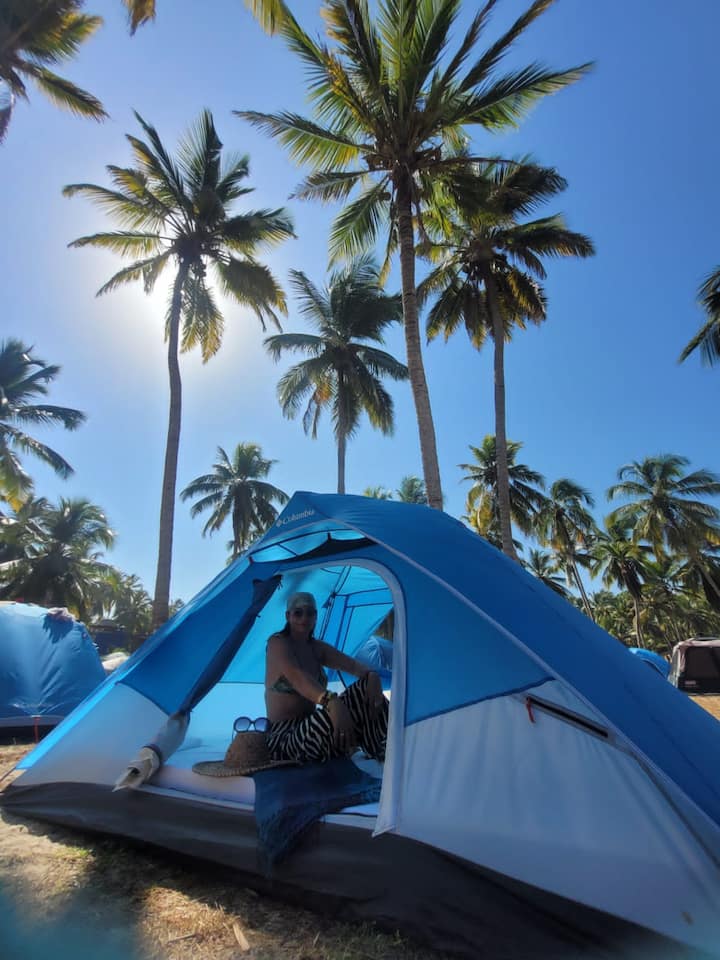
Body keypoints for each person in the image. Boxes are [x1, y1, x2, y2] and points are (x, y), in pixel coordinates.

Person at [265, 592, 388, 764]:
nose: (304, 618)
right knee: (324, 719)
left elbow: (354, 666)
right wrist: (331, 701)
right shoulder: (277, 643)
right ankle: (348, 744)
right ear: (288, 616)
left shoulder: (317, 647)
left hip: (312, 725)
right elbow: (297, 677)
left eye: (310, 613)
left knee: (365, 688)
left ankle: (383, 748)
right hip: (285, 737)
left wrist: (372, 676)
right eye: (298, 613)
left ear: (316, 616)